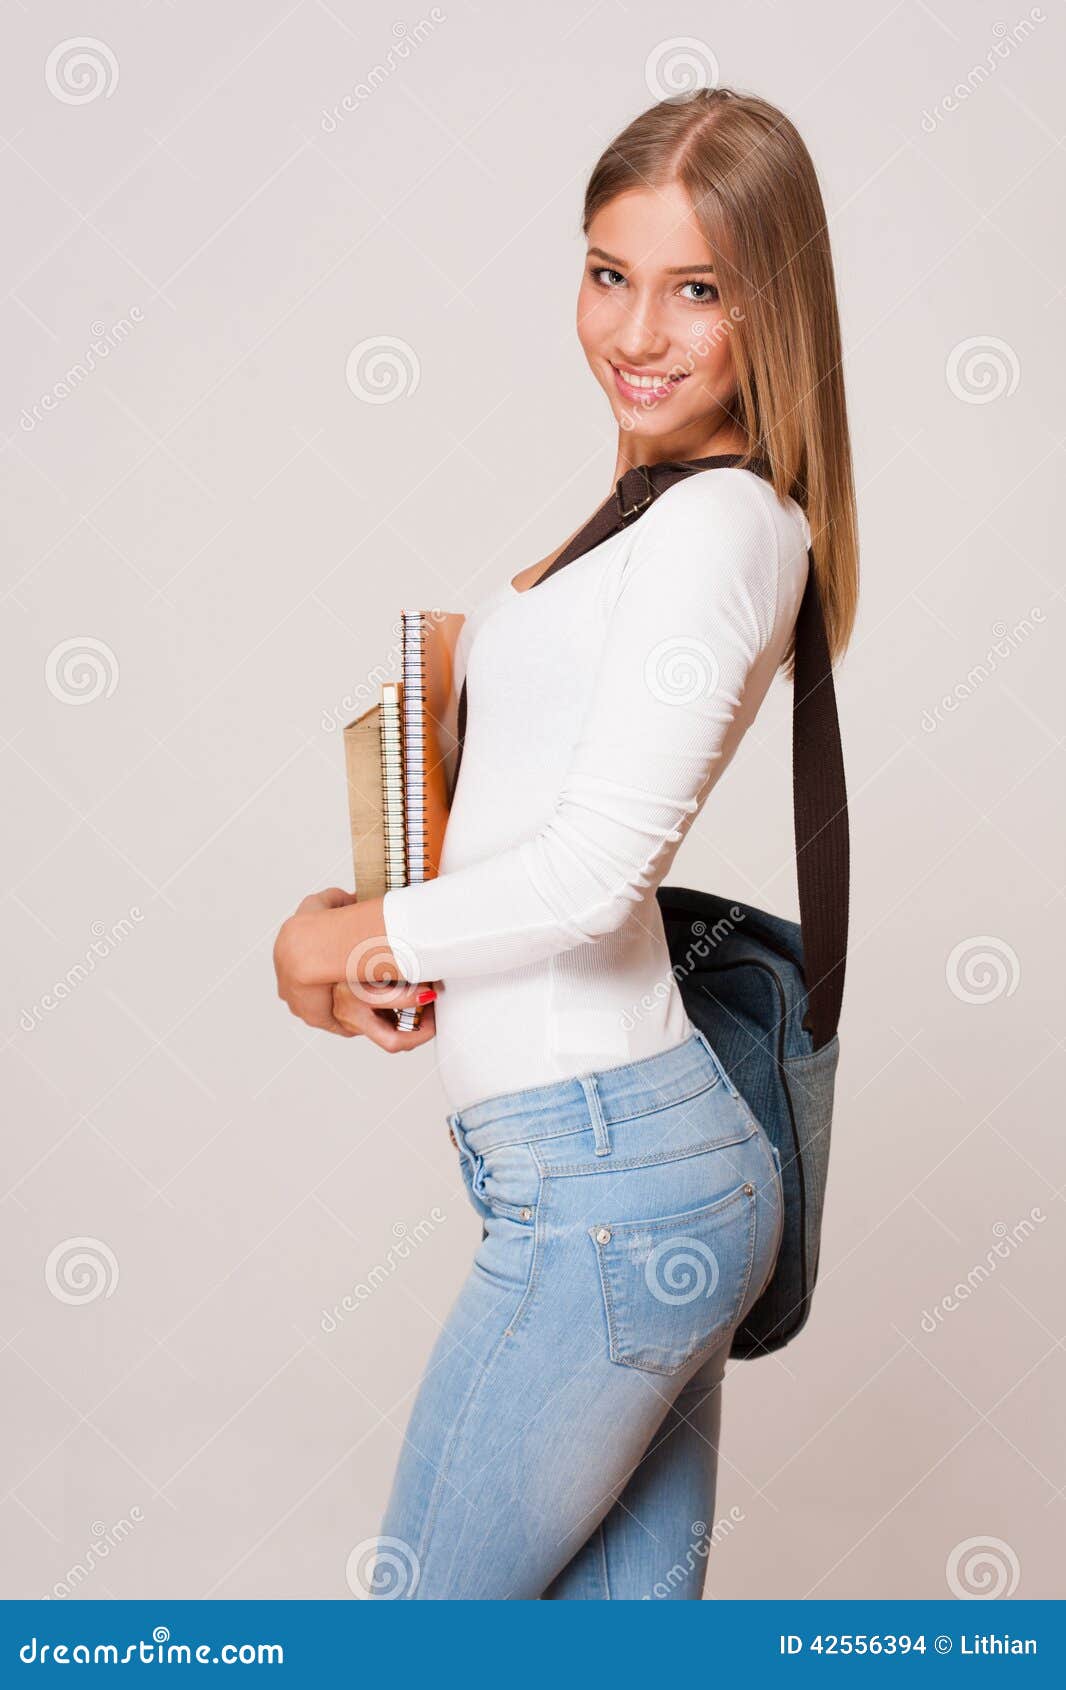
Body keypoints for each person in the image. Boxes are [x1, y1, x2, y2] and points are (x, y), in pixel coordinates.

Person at [274, 86, 859, 1600]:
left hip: (608, 1178)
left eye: (698, 289)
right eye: (609, 272)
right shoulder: (639, 514)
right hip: (617, 1168)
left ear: (769, 308)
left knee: (419, 1633)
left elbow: (594, 874)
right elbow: (530, 846)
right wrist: (370, 932)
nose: (636, 331)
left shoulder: (724, 526)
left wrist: (354, 941)